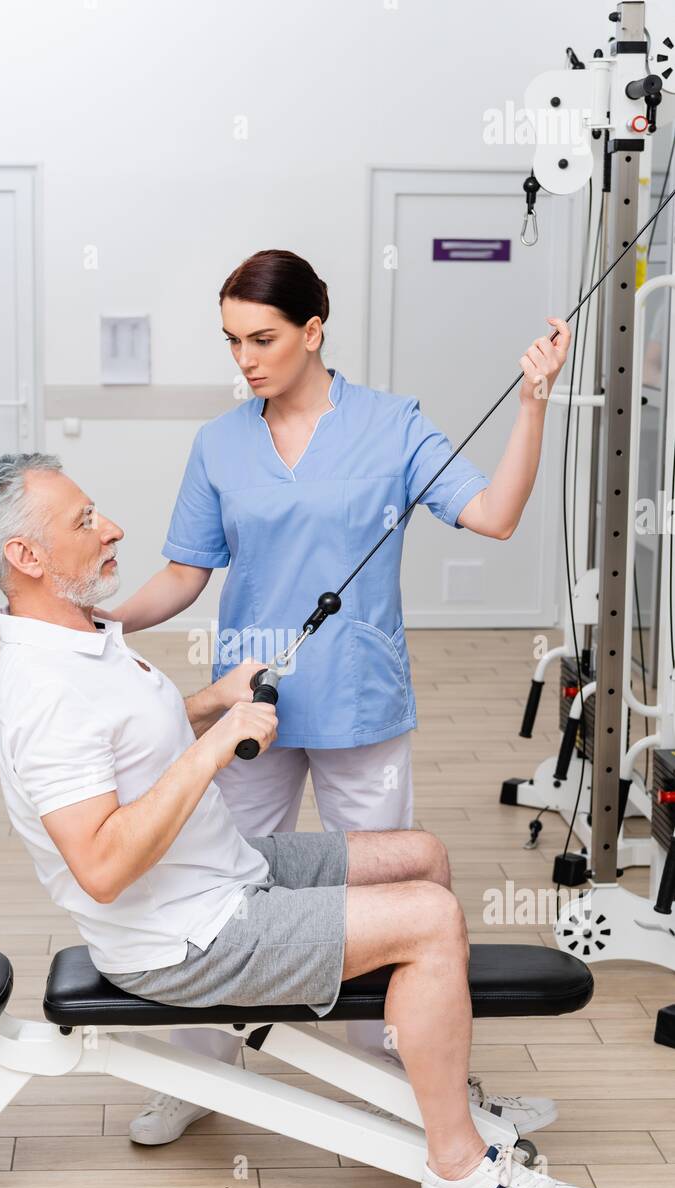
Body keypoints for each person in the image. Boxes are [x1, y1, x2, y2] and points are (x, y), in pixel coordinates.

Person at [0, 451, 599, 1188]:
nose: (112, 528)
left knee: (419, 855)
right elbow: (98, 865)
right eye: (84, 520)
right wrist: (218, 742)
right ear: (25, 557)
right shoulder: (44, 692)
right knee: (430, 918)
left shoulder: (82, 637)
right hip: (184, 937)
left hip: (226, 873)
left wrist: (209, 703)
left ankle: (434, 1082)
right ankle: (458, 1167)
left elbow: (127, 749)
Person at [101, 249, 571, 1142]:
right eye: (232, 340)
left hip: (358, 697)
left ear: (313, 331)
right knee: (220, 890)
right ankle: (199, 1072)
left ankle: (390, 1068)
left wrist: (531, 401)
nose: (245, 358)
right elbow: (184, 571)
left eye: (263, 338)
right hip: (250, 708)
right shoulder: (221, 441)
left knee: (382, 894)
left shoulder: (392, 426)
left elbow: (495, 515)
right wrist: (106, 625)